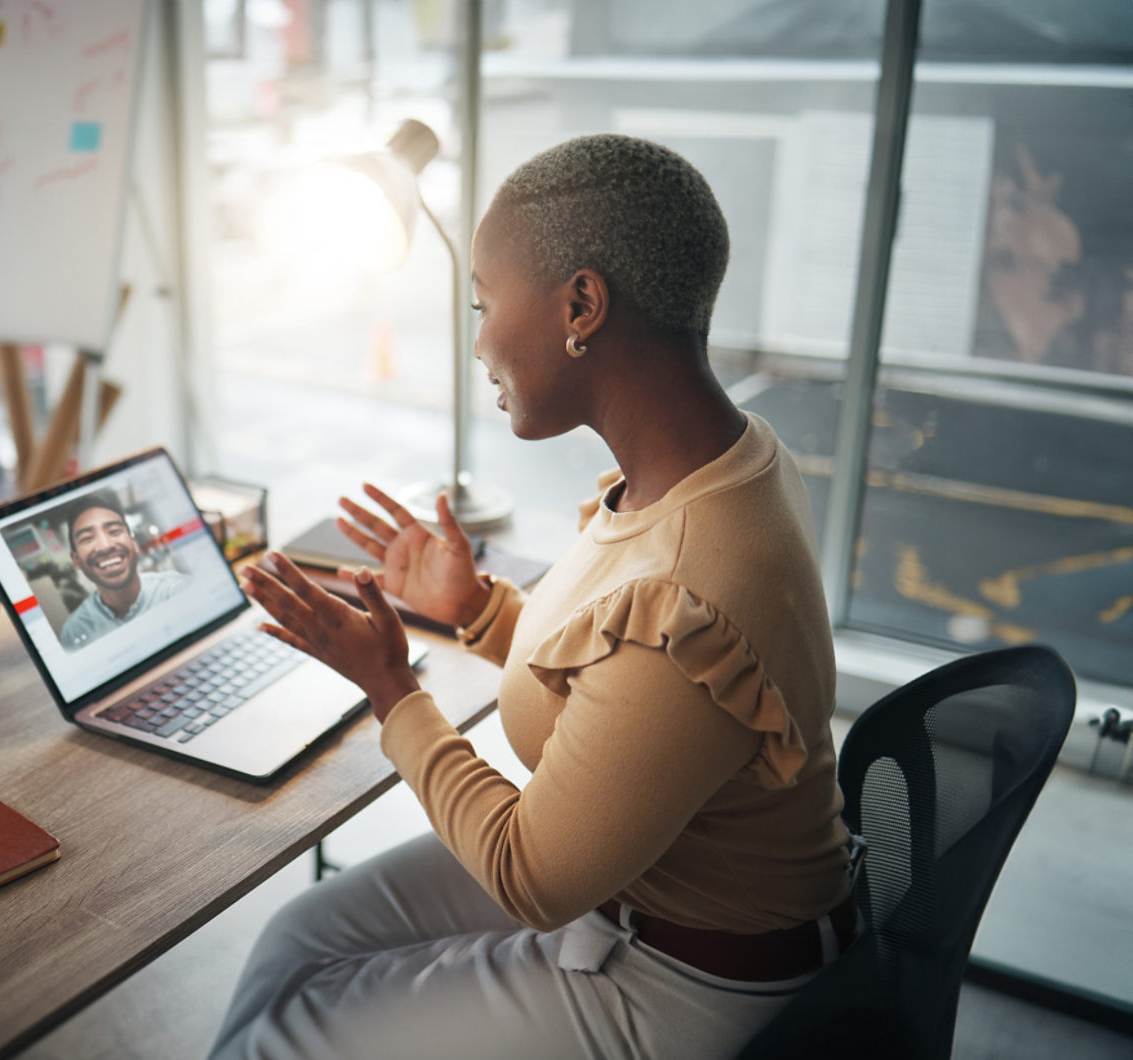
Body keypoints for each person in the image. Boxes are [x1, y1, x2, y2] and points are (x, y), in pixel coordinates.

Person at [213, 134, 854, 1060]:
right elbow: (612, 666)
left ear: (581, 305)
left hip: (684, 979)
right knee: (298, 938)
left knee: (290, 1034)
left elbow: (530, 876)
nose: (476, 343)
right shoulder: (714, 462)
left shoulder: (691, 580)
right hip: (627, 881)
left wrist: (392, 690)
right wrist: (477, 606)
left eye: (482, 304)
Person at [57, 491, 189, 650]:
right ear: (76, 560)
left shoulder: (178, 588)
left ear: (134, 544)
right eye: (87, 539)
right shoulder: (74, 631)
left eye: (114, 531)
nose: (105, 546)